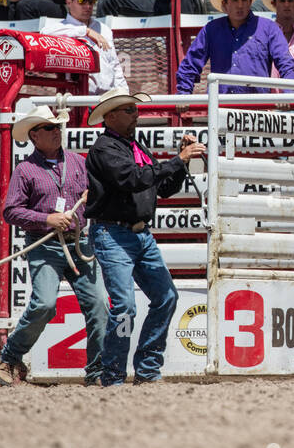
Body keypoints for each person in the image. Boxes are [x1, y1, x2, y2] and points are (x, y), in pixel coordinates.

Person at [85, 90, 205, 386]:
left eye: (134, 109)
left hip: (136, 235)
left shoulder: (133, 146)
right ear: (110, 116)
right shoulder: (105, 149)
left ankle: (146, 368)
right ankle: (114, 372)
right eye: (128, 110)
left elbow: (162, 188)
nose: (135, 114)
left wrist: (181, 163)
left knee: (166, 297)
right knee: (125, 306)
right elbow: (132, 179)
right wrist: (178, 160)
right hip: (113, 234)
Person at [0, 106, 106, 386]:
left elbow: (96, 197)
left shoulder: (79, 162)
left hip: (80, 243)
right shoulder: (25, 170)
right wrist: (47, 218)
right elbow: (11, 212)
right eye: (49, 128)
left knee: (99, 305)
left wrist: (94, 195)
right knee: (44, 304)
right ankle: (10, 357)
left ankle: (97, 372)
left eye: (57, 127)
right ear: (34, 135)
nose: (57, 132)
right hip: (45, 246)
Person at [176, 0, 294, 92]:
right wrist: (184, 92)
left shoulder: (269, 29)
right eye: (235, 0)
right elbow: (191, 63)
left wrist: (289, 92)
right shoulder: (211, 29)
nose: (240, 5)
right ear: (225, 4)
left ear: (250, 2)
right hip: (222, 106)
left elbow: (285, 63)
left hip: (254, 108)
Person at [41, 0, 128, 93]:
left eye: (91, 0)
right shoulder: (59, 28)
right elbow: (44, 33)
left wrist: (124, 92)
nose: (88, 6)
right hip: (78, 99)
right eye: (82, 0)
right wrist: (85, 31)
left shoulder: (105, 30)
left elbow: (115, 65)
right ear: (68, 1)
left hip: (107, 97)